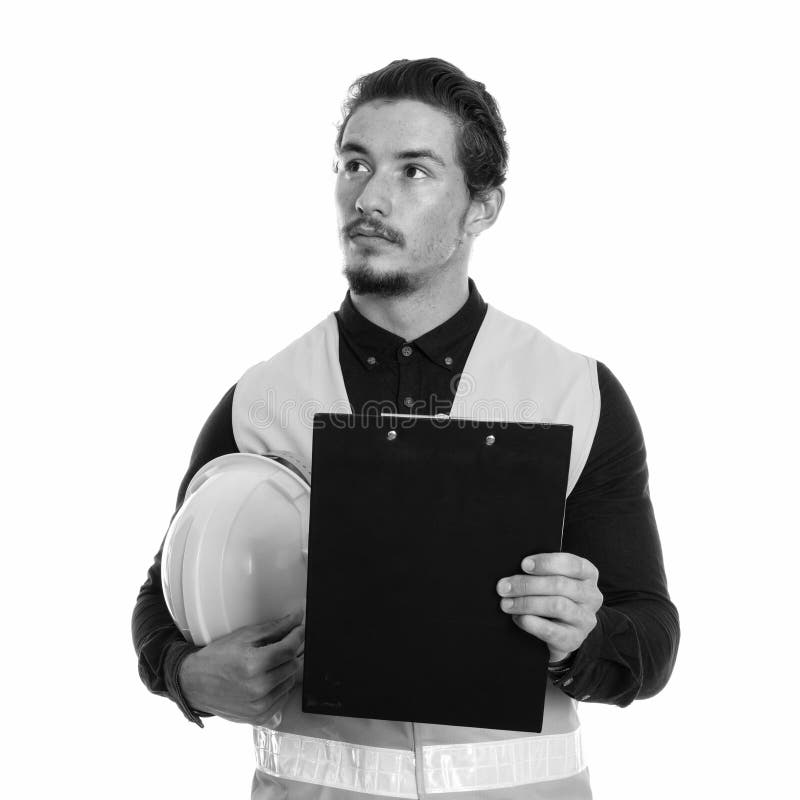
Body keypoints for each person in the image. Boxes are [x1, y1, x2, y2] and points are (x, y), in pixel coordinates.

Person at [132, 57, 680, 799]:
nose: (370, 195)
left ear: (481, 209)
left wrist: (584, 635)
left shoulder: (576, 392)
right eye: (354, 163)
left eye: (414, 171)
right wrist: (187, 675)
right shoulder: (260, 400)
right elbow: (161, 598)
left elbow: (649, 639)